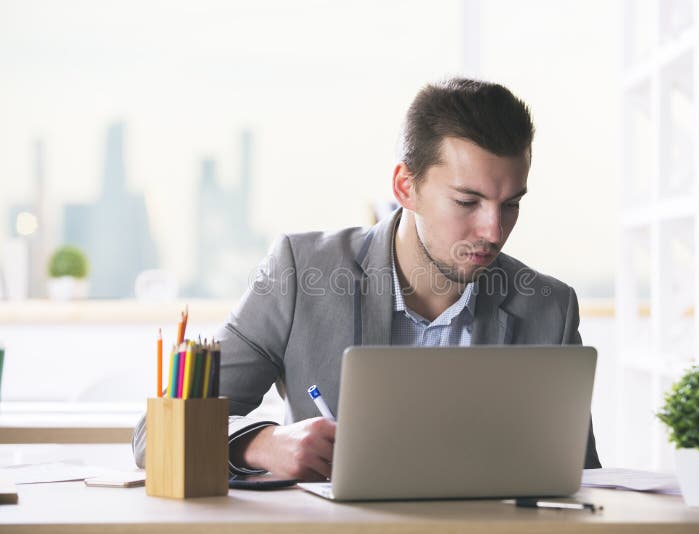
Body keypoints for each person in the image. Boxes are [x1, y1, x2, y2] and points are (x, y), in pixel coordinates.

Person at [133, 77, 601, 479]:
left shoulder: (549, 308)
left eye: (511, 204)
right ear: (405, 188)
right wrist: (259, 446)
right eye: (467, 202)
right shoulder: (301, 271)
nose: (493, 231)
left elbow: (580, 479)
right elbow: (153, 436)